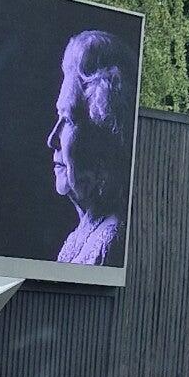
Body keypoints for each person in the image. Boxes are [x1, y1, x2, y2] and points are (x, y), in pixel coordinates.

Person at [46, 29, 134, 266]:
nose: (52, 139)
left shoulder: (111, 240)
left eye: (69, 120)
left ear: (102, 137)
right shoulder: (83, 232)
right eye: (58, 116)